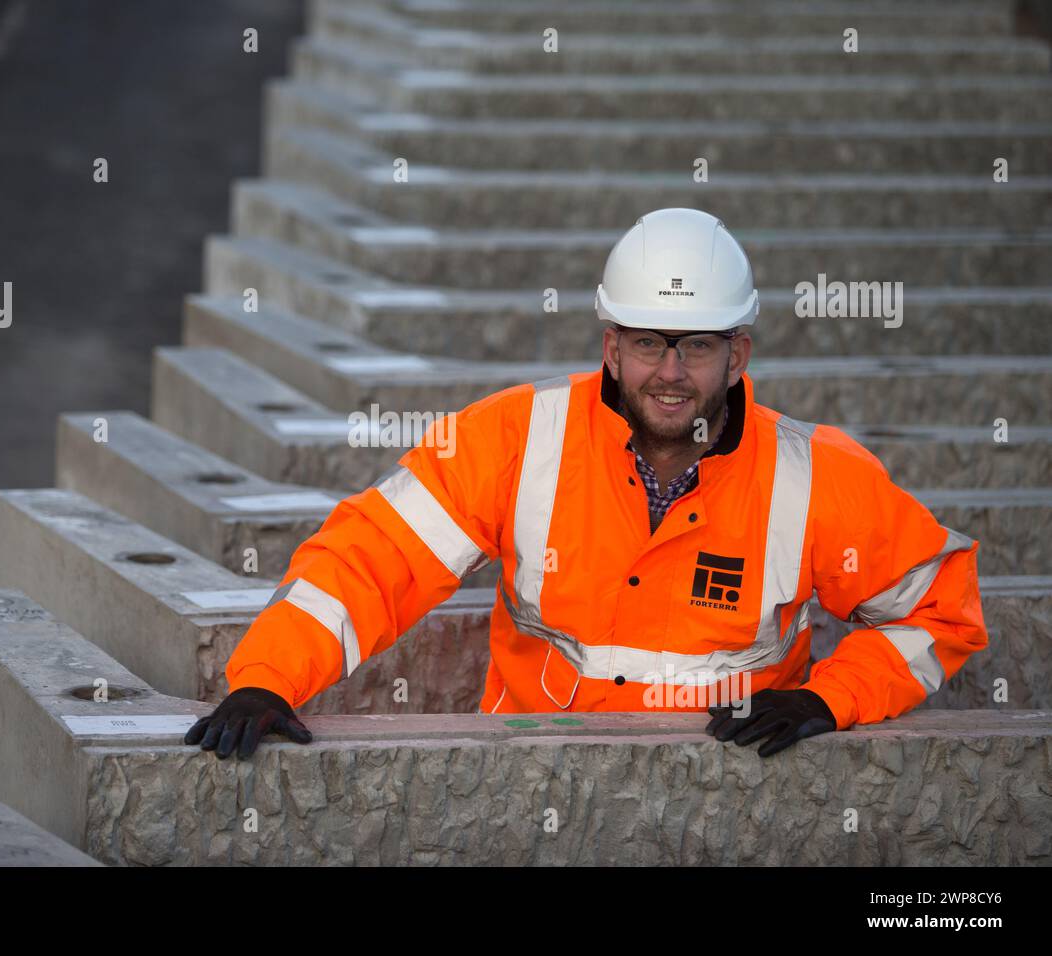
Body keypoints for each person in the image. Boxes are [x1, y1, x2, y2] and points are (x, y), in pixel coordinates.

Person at [185, 207, 987, 761]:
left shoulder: (815, 478)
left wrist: (830, 699)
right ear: (611, 348)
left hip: (732, 799)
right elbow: (371, 559)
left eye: (696, 347)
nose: (670, 373)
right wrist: (266, 679)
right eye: (648, 343)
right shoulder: (515, 438)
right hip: (526, 789)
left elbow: (943, 607)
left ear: (737, 357)